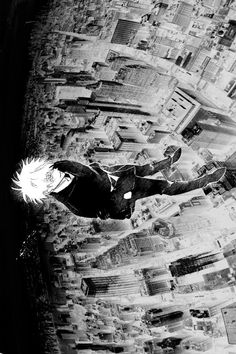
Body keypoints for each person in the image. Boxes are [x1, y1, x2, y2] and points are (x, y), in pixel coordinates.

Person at [12, 148, 226, 220]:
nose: (54, 171)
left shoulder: (60, 166)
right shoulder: (75, 205)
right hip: (122, 194)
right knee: (166, 187)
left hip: (112, 177)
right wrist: (124, 197)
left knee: (141, 168)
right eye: (48, 177)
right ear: (47, 190)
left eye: (48, 169)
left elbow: (86, 169)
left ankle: (168, 161)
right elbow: (106, 212)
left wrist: (101, 171)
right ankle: (209, 178)